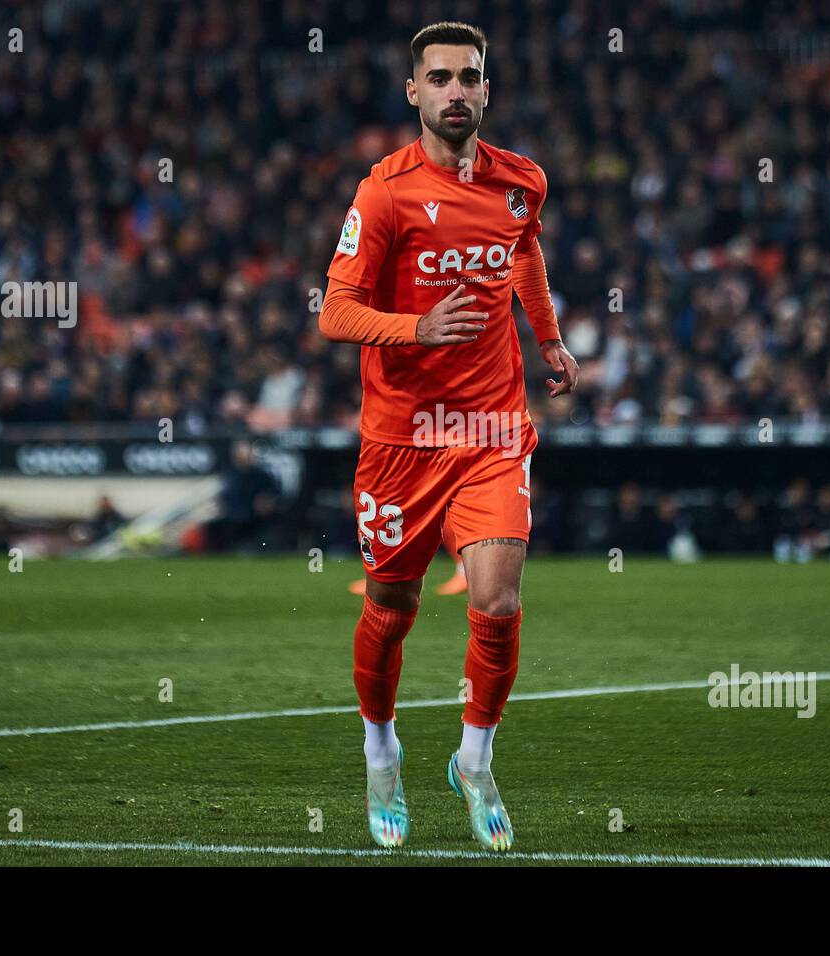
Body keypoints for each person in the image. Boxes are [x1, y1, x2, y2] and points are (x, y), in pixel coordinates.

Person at [319, 21, 579, 852]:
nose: (456, 91)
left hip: (492, 429)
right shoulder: (383, 194)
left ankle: (473, 759)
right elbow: (334, 311)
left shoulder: (521, 182)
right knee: (391, 613)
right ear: (414, 93)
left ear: (487, 90)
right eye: (440, 79)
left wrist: (548, 337)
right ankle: (381, 752)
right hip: (400, 441)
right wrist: (416, 328)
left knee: (498, 601)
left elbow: (525, 253)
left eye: (469, 77)